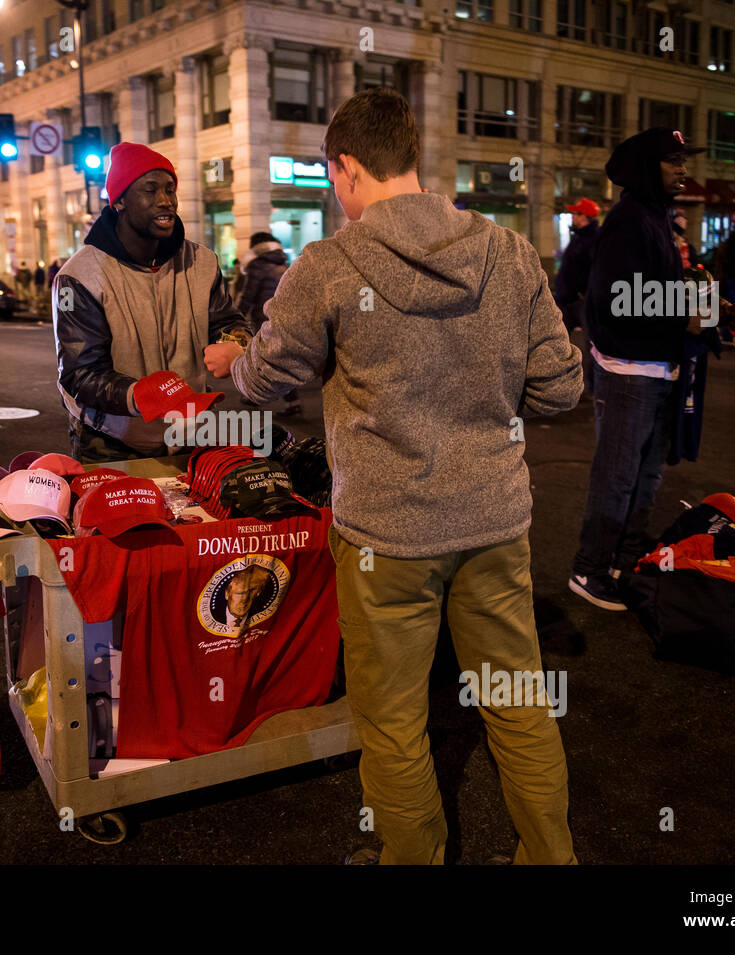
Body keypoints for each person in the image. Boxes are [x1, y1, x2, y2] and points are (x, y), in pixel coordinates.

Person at [208, 87, 582, 866]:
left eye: (333, 181)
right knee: (517, 705)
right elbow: (561, 388)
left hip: (386, 535)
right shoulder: (507, 252)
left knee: (393, 719)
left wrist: (229, 362)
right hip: (493, 525)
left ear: (346, 168)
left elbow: (267, 380)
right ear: (411, 157)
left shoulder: (330, 264)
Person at [568, 127, 710, 612]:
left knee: (647, 476)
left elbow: (650, 289)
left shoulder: (655, 217)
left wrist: (698, 296)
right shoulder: (630, 220)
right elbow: (617, 298)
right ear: (648, 167)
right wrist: (685, 309)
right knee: (618, 476)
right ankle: (590, 569)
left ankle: (623, 564)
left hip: (657, 368)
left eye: (683, 160)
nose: (683, 168)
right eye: (673, 160)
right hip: (629, 371)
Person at [52, 142, 251, 463]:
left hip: (189, 432)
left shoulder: (202, 261)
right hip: (112, 440)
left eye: (170, 189)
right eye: (150, 190)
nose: (165, 201)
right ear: (119, 201)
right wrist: (142, 396)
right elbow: (80, 373)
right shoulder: (79, 276)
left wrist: (235, 344)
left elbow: (228, 322)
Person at [236, 232, 300, 415]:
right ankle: (291, 401)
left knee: (262, 357)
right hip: (283, 315)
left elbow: (249, 294)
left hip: (262, 316)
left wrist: (237, 316)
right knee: (279, 358)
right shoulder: (283, 263)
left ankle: (256, 394)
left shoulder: (257, 265)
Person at [554, 198, 601, 332]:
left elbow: (596, 269)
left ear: (585, 217)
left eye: (576, 214)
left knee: (591, 342)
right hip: (567, 300)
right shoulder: (577, 237)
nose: (572, 217)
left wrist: (585, 293)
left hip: (583, 301)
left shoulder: (595, 238)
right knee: (559, 341)